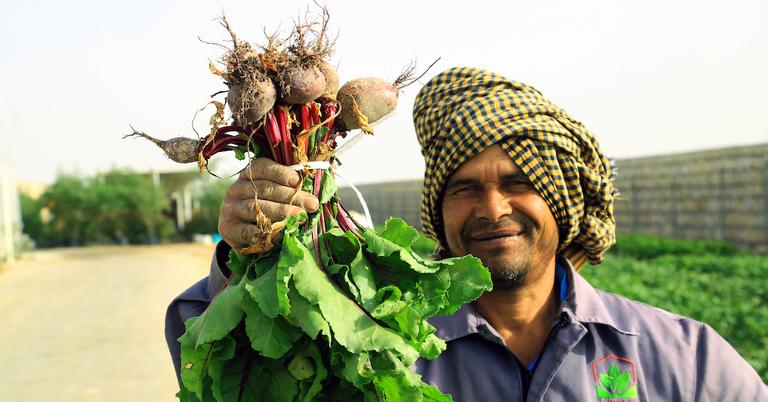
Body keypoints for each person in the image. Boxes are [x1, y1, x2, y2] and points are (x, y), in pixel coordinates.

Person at [165, 67, 767, 401]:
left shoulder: (684, 360)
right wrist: (248, 253)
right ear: (438, 211)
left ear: (560, 198)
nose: (492, 207)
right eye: (464, 188)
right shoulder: (379, 349)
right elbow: (216, 366)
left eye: (517, 181)